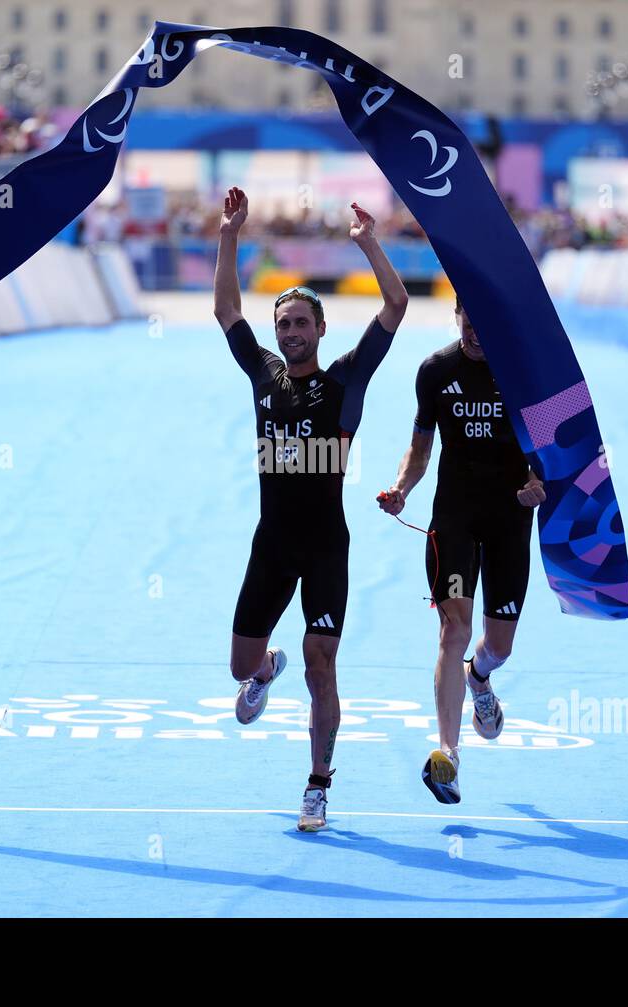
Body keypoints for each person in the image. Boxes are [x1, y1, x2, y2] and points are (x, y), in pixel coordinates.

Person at [214, 185, 407, 832]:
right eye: (284, 324)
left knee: (322, 661)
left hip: (326, 544)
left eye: (302, 323)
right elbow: (224, 311)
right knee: (240, 664)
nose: (292, 332)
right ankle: (266, 670)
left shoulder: (346, 379)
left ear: (321, 330)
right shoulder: (263, 376)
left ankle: (319, 784)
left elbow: (397, 305)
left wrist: (367, 243)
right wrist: (229, 233)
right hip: (271, 543)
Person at [378, 292, 545, 804]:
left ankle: (481, 677)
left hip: (510, 520)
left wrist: (538, 484)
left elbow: (551, 446)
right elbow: (421, 445)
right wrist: (402, 487)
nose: (474, 333)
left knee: (499, 645)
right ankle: (448, 753)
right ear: (457, 318)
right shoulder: (434, 371)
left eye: (483, 324)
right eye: (466, 323)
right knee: (454, 628)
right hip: (453, 517)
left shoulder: (527, 372)